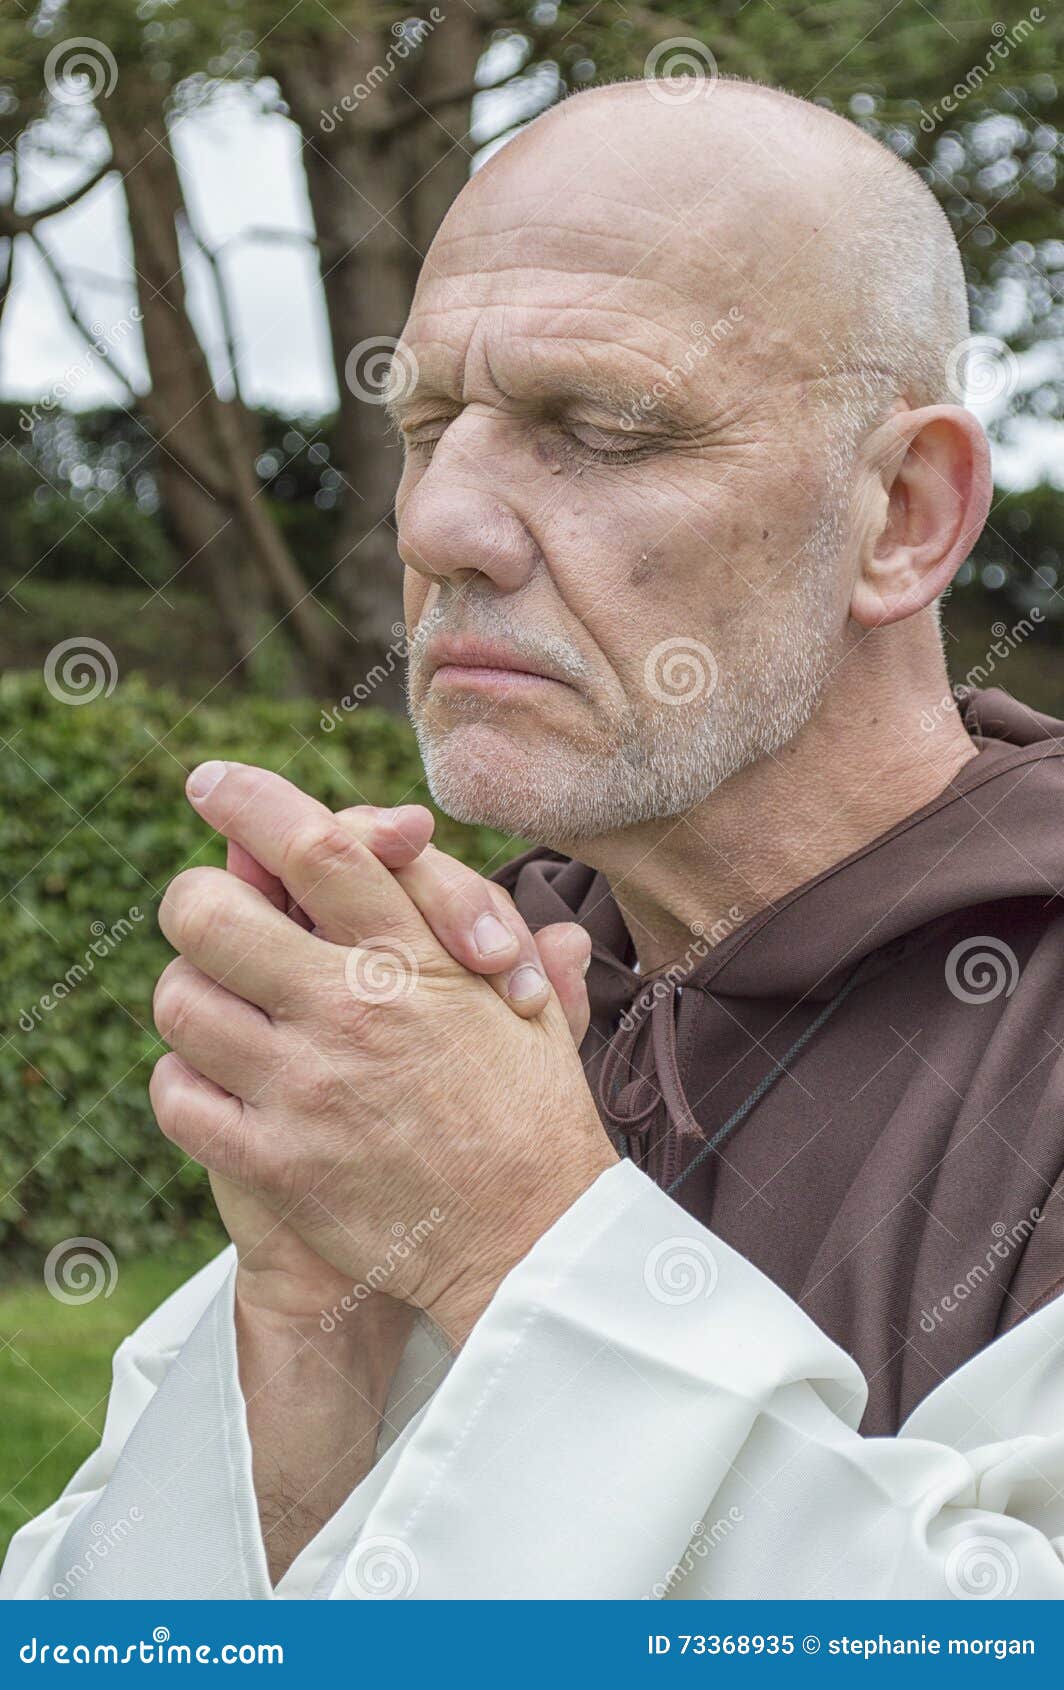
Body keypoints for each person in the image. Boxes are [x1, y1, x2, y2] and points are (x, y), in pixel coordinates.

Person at [5, 76, 1064, 1602]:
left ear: (903, 513)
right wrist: (305, 1345)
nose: (441, 523)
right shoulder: (460, 1007)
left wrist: (521, 1239)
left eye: (603, 428)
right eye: (432, 420)